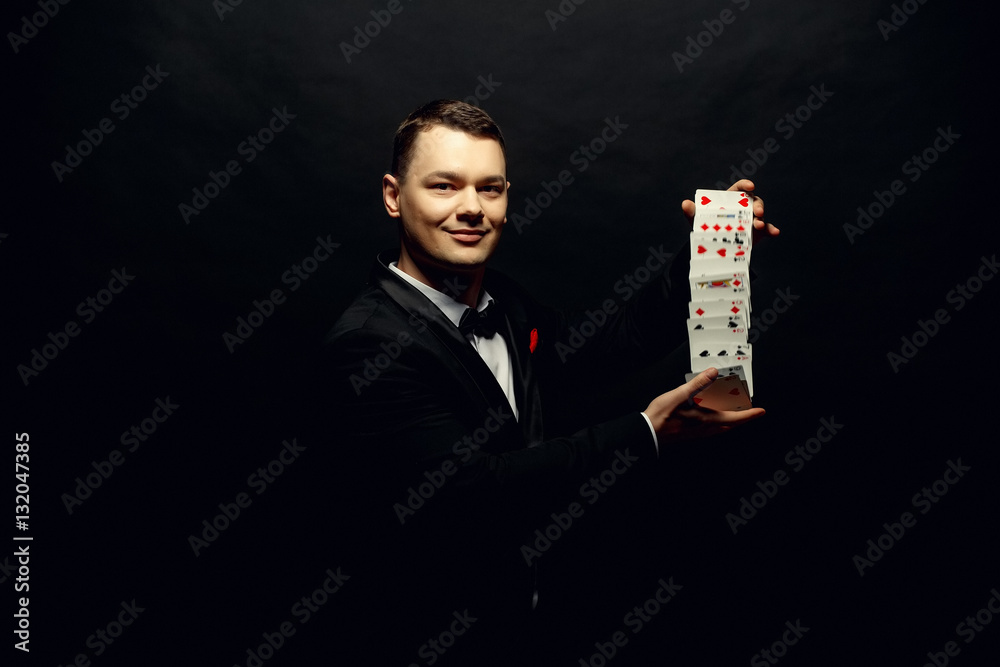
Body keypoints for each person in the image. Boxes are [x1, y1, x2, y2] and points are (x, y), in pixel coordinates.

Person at [313, 99, 778, 664]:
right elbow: (475, 496)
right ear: (393, 196)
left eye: (489, 188)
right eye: (444, 186)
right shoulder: (368, 345)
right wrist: (647, 432)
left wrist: (709, 255)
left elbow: (605, 349)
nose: (471, 208)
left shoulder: (505, 302)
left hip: (529, 625)